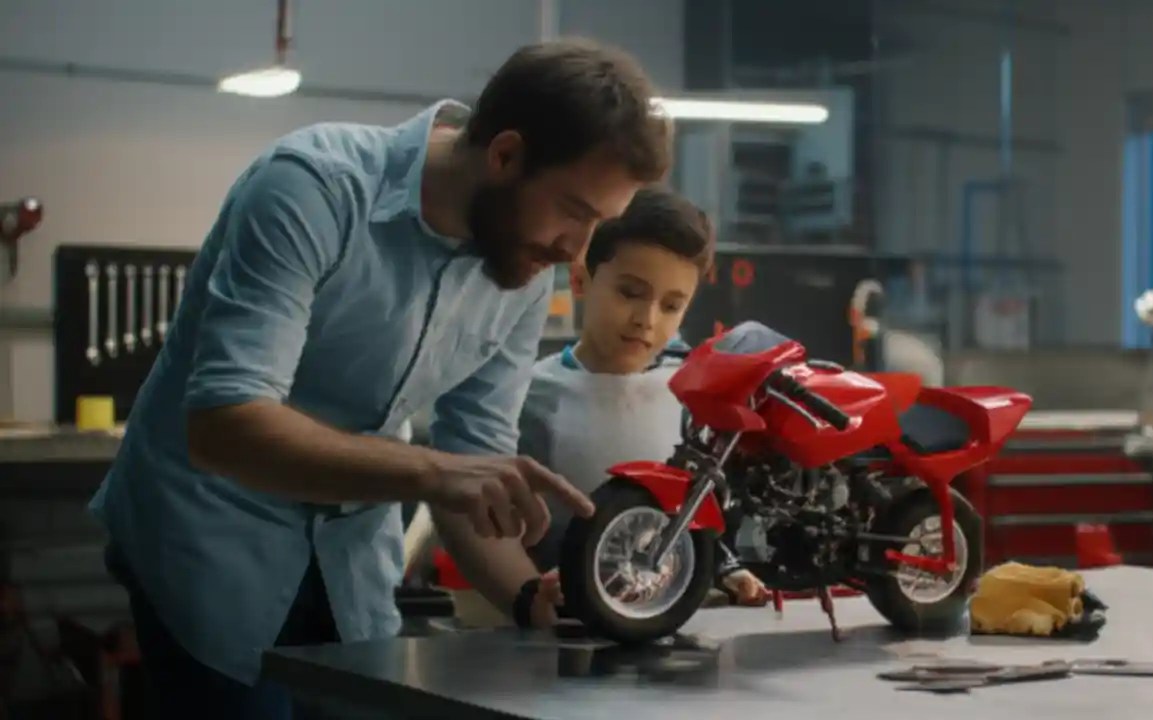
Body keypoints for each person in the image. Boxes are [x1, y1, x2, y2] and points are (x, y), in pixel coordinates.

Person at [87, 37, 671, 718]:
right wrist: (431, 472)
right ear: (505, 155)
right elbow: (225, 424)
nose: (578, 250)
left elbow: (473, 471)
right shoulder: (312, 189)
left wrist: (526, 595)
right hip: (208, 541)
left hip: (350, 567)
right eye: (575, 210)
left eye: (600, 223)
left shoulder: (523, 268)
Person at [448, 186, 768, 629]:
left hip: (665, 618)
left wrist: (727, 568)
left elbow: (702, 512)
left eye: (671, 305)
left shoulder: (691, 400)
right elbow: (496, 523)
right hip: (564, 625)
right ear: (581, 279)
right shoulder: (527, 396)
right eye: (630, 292)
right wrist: (537, 585)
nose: (647, 319)